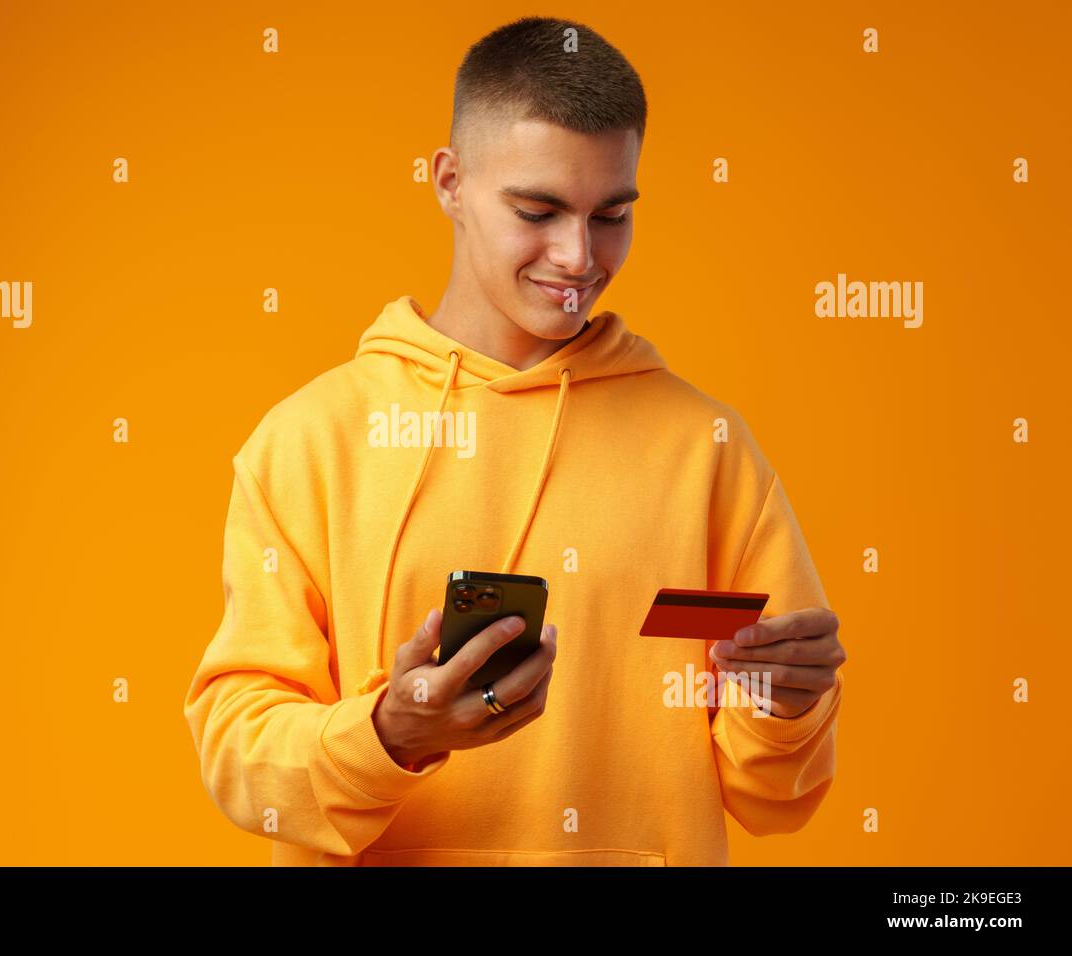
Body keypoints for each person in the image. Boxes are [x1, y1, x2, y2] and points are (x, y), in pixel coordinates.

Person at [183, 15, 846, 866]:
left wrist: (787, 706)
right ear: (450, 182)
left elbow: (774, 799)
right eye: (538, 210)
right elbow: (238, 754)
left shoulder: (706, 448)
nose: (578, 256)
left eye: (612, 214)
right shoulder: (309, 443)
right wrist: (386, 733)